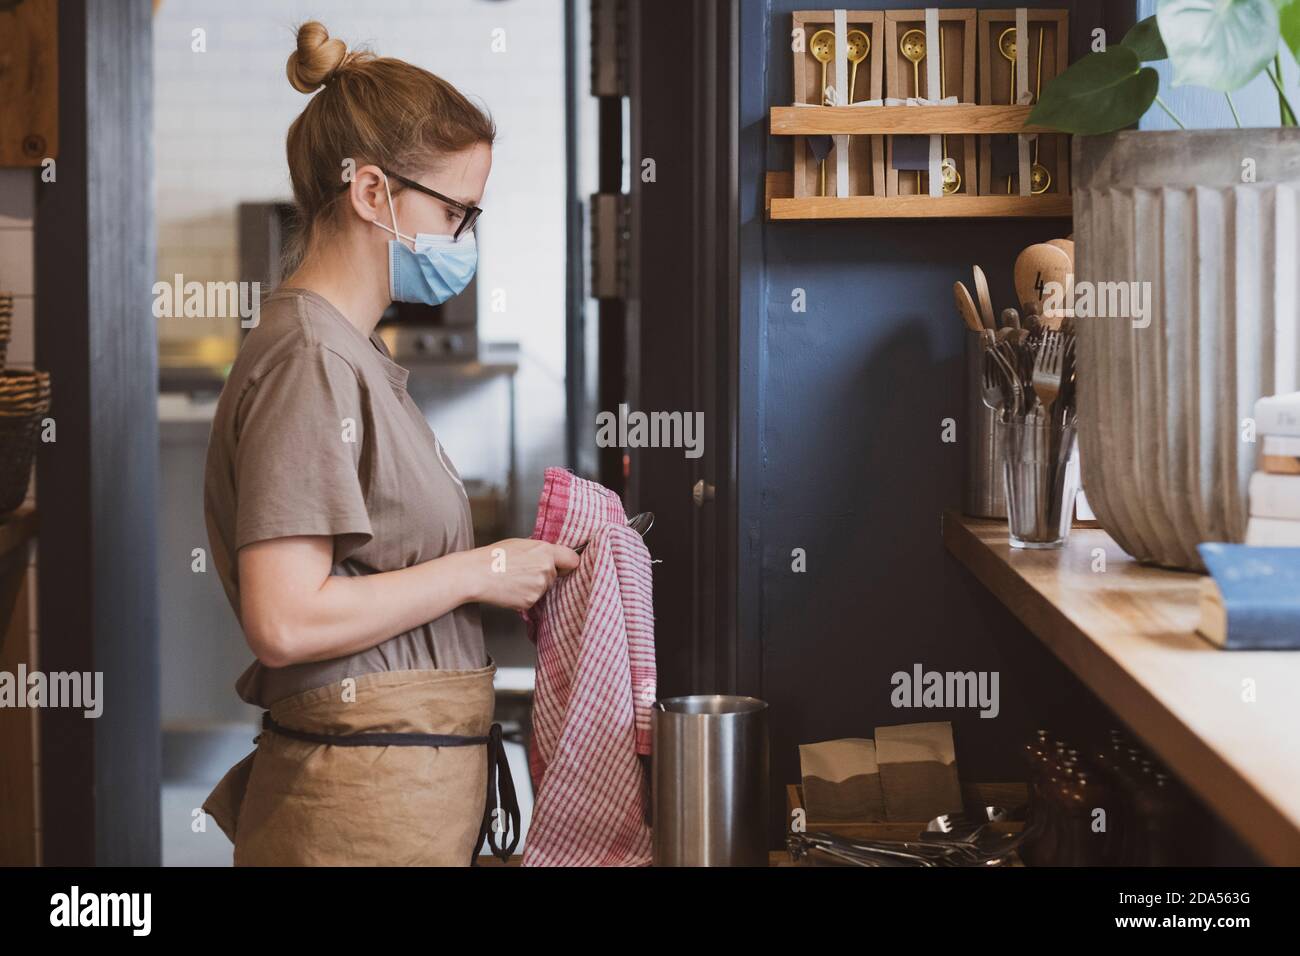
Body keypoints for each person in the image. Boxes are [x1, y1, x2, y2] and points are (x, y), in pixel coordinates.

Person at [200, 21, 577, 866]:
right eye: (453, 211)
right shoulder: (309, 359)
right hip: (353, 814)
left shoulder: (351, 350)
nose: (464, 237)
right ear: (372, 193)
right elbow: (284, 617)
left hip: (396, 794)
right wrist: (483, 570)